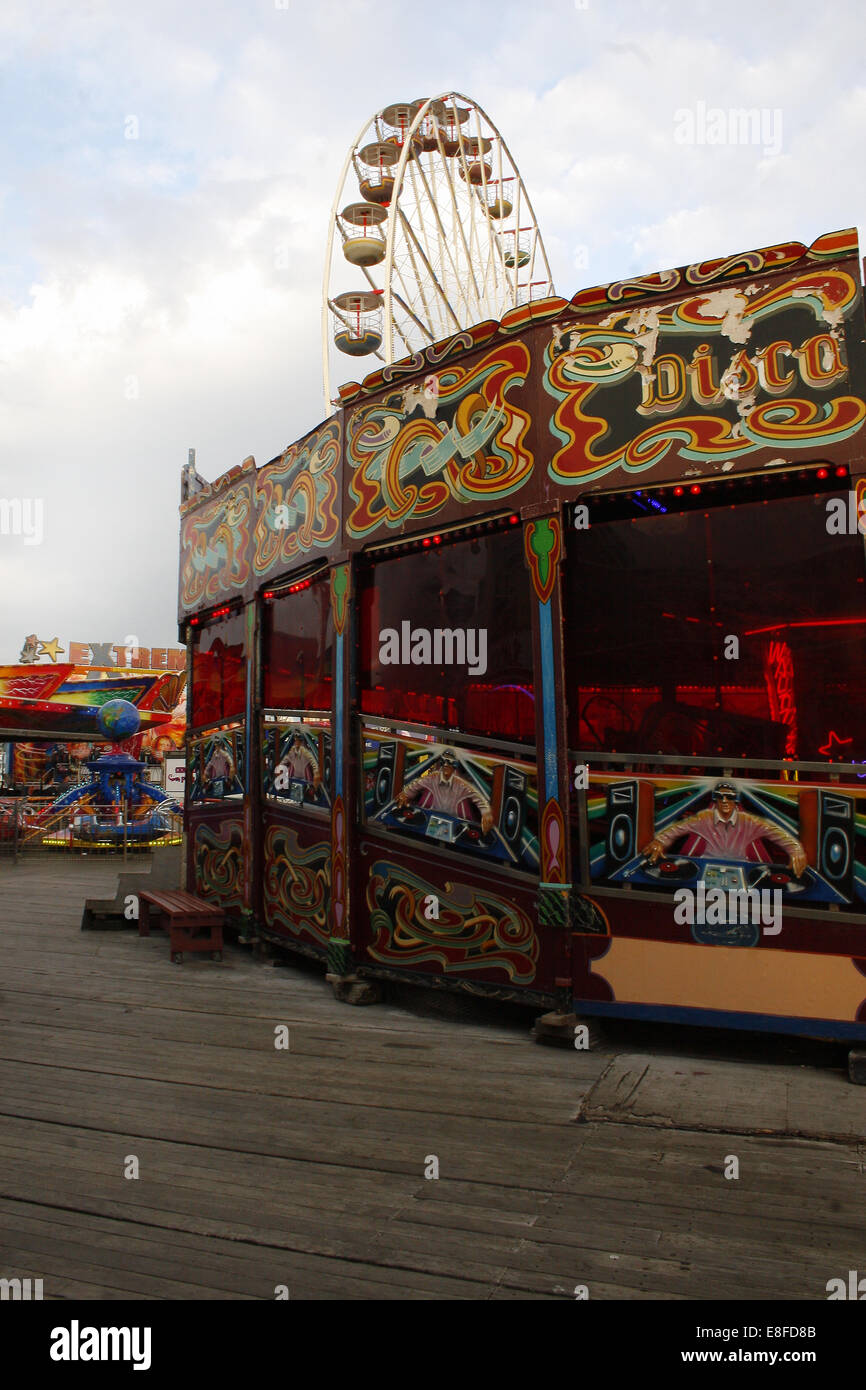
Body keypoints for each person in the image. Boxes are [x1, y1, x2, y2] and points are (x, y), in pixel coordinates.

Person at [642, 781, 807, 876]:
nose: (725, 801)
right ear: (715, 800)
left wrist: (796, 850)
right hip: (705, 872)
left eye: (730, 797)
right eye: (720, 797)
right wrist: (660, 841)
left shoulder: (748, 821)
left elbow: (778, 834)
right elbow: (677, 829)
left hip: (743, 873)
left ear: (736, 800)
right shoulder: (704, 817)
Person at [397, 749, 493, 833]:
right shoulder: (432, 778)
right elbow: (415, 786)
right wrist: (405, 794)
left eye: (449, 762)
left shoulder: (461, 784)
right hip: (428, 819)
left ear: (454, 766)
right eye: (444, 762)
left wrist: (486, 813)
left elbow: (478, 799)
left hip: (456, 824)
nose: (446, 765)